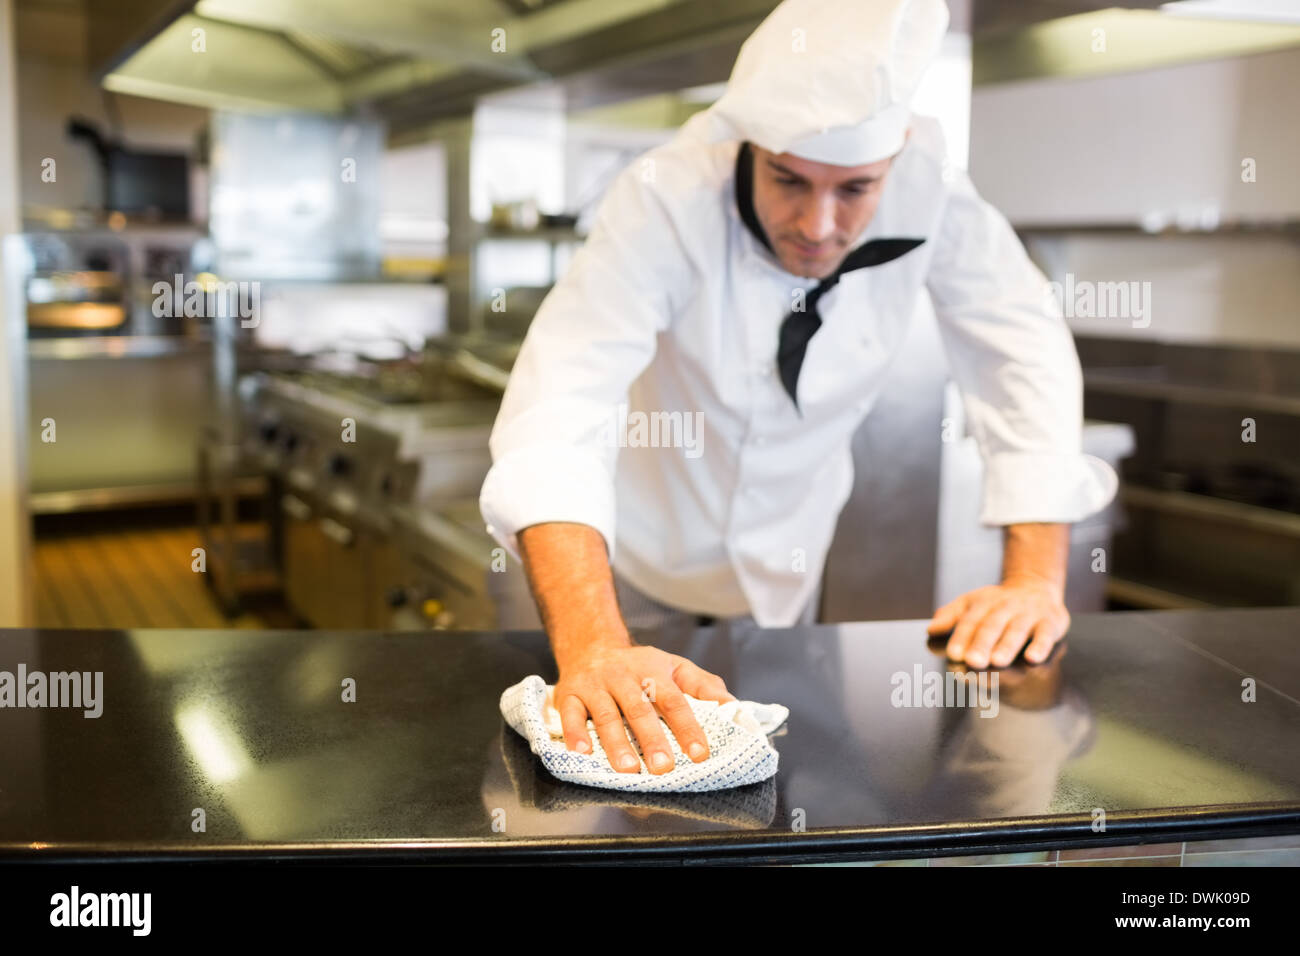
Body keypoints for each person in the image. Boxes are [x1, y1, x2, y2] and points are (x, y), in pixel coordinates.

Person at [479, 0, 1117, 776]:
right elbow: (564, 398)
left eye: (855, 188)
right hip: (627, 568)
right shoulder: (664, 196)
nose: (818, 223)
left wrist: (1031, 578)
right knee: (600, 803)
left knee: (781, 790)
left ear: (898, 152)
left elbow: (1023, 348)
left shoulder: (933, 190)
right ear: (748, 145)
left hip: (786, 578)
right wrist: (597, 647)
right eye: (788, 179)